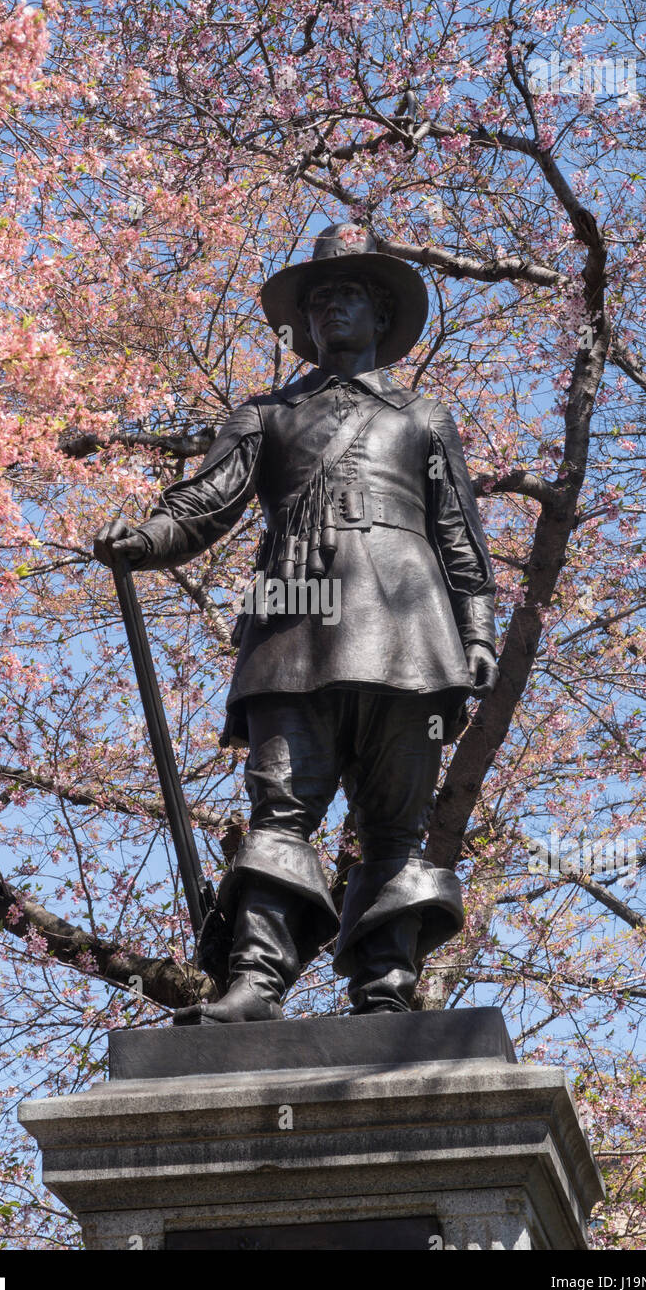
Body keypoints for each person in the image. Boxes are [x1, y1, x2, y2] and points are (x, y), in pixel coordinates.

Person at [94, 223, 498, 1023]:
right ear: (304, 323)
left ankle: (386, 988)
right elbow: (203, 507)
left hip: (411, 626)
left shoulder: (423, 417)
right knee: (279, 804)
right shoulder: (264, 416)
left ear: (381, 315)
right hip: (293, 622)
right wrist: (143, 542)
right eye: (318, 302)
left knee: (394, 821)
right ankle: (256, 982)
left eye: (347, 295)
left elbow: (459, 535)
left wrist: (478, 629)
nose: (331, 311)